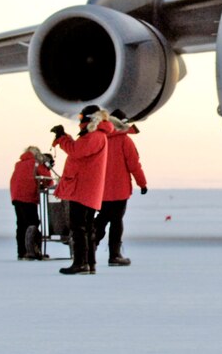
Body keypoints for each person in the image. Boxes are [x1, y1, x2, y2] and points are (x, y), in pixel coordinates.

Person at [51, 105, 113, 275]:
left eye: (81, 117)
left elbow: (76, 151)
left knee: (78, 226)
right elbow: (79, 149)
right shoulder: (97, 135)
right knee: (86, 227)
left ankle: (80, 263)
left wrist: (62, 138)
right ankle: (89, 263)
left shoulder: (94, 136)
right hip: (87, 189)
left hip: (82, 189)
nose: (79, 121)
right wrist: (64, 137)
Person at [94, 109, 148, 266]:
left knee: (101, 219)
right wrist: (142, 183)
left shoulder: (99, 139)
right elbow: (134, 165)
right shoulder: (125, 141)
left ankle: (88, 249)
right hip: (120, 191)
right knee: (116, 221)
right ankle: (114, 255)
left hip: (100, 190)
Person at [9, 146, 52, 260]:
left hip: (16, 197)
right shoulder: (36, 163)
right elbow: (48, 180)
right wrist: (47, 167)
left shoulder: (19, 164)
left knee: (21, 225)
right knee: (32, 223)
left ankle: (22, 252)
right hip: (28, 197)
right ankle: (32, 251)